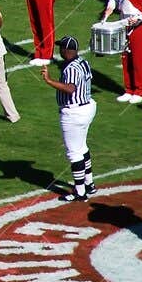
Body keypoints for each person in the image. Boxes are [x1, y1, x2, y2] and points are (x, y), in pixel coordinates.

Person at [41, 35, 96, 201]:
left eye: (60, 48)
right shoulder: (83, 61)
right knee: (81, 147)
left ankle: (80, 192)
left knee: (74, 153)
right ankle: (89, 184)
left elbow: (70, 89)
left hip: (74, 112)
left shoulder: (71, 68)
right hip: (87, 107)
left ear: (66, 50)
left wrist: (48, 80)